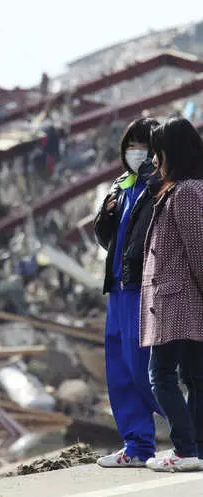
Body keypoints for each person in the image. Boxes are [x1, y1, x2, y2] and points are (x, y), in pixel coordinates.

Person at [94, 117, 163, 467]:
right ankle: (137, 446)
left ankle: (192, 432)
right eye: (131, 145)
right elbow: (108, 238)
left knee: (145, 370)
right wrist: (103, 218)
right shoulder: (121, 186)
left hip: (144, 288)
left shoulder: (161, 186)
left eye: (143, 145)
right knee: (120, 370)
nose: (135, 152)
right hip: (118, 288)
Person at [140, 118, 203, 472]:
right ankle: (195, 450)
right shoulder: (180, 189)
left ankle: (185, 447)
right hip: (182, 300)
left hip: (179, 302)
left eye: (158, 152)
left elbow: (199, 251)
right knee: (194, 377)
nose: (154, 160)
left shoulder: (187, 192)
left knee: (160, 376)